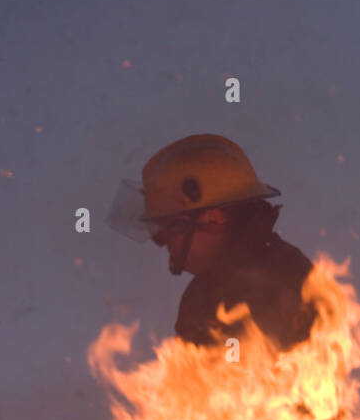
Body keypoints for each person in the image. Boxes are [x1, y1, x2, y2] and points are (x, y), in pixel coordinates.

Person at [109, 134, 316, 351]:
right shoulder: (208, 292)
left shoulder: (277, 283)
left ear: (213, 219)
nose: (165, 244)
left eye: (171, 229)